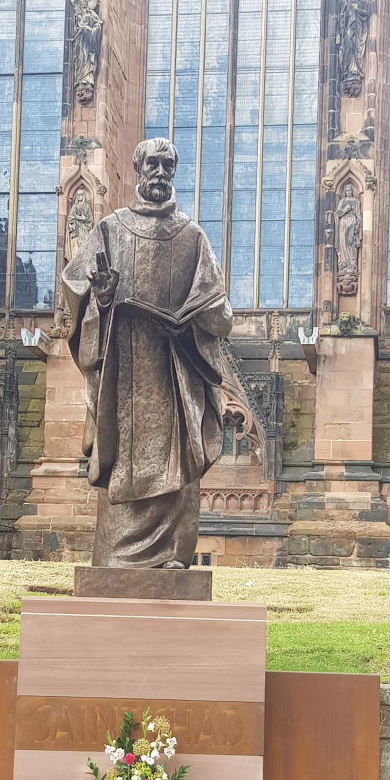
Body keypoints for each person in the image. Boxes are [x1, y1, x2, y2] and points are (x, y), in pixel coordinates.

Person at [61, 137, 233, 568]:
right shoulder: (111, 229)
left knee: (176, 458)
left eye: (168, 165)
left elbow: (220, 309)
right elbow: (75, 287)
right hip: (123, 365)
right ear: (138, 169)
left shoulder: (192, 237)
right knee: (124, 453)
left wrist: (188, 316)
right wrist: (102, 300)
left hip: (175, 368)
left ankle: (172, 554)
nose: (160, 173)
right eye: (152, 164)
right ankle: (119, 560)